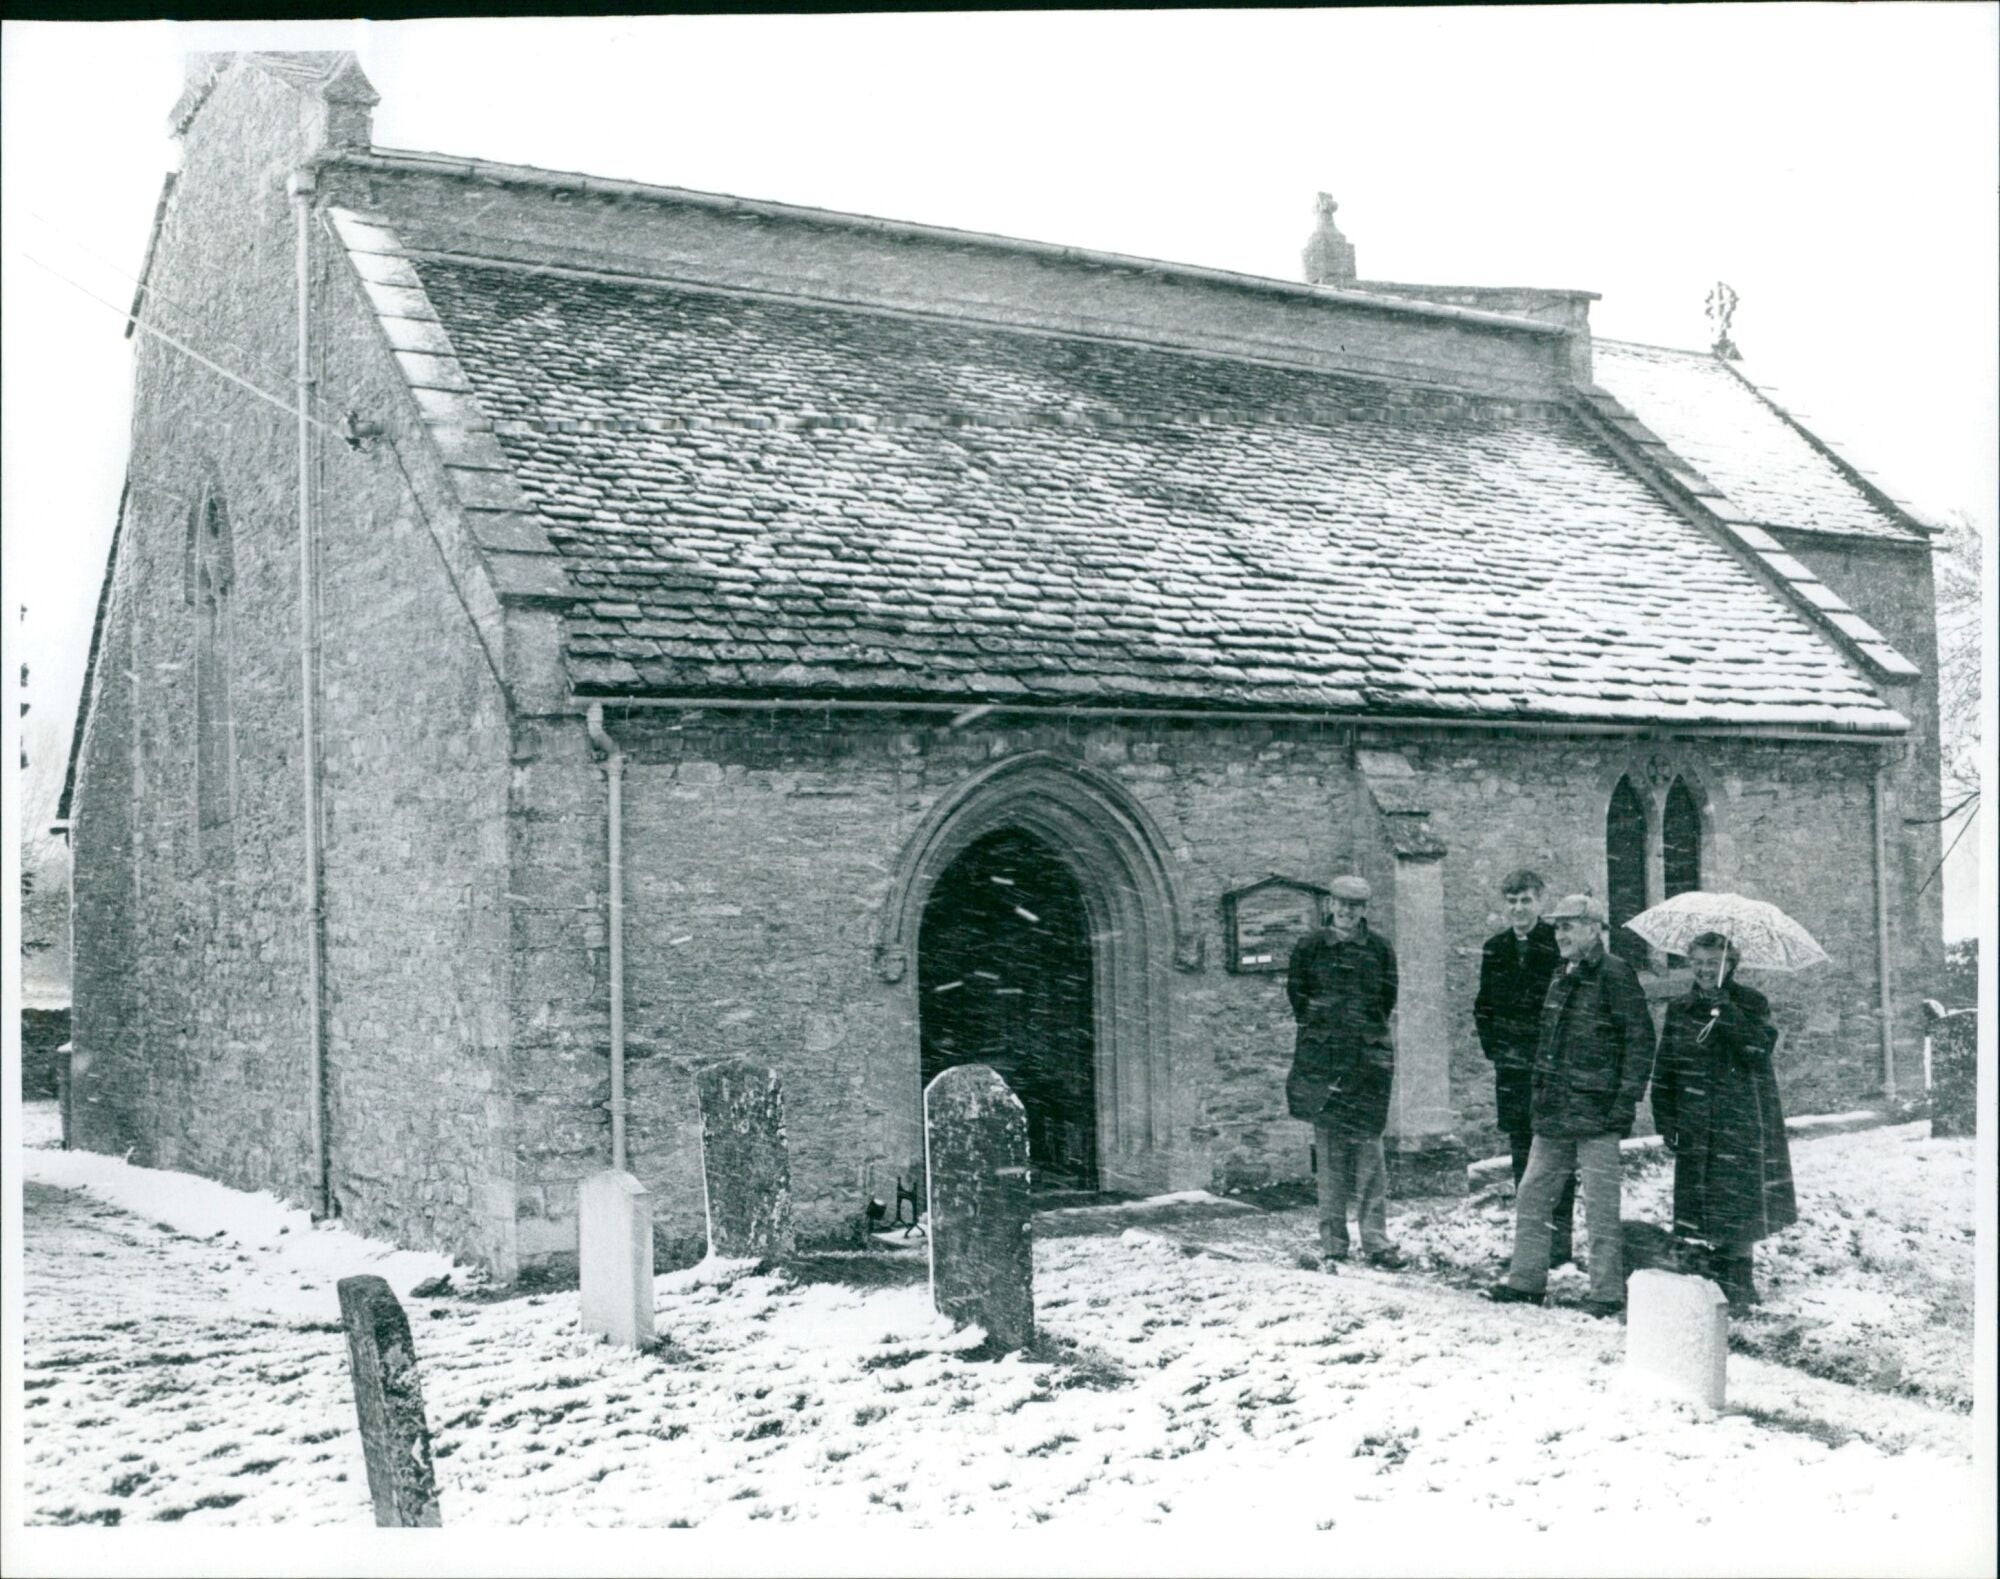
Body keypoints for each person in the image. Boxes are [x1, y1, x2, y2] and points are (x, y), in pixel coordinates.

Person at [1487, 894, 1653, 1317]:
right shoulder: (1562, 973)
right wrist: (1540, 1096)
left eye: (1569, 926)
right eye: (1557, 927)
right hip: (1556, 1111)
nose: (1559, 934)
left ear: (1593, 930)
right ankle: (1525, 1283)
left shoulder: (1616, 974)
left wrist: (1624, 1101)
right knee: (1532, 1194)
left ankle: (1606, 1292)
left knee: (1600, 1207)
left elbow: (1638, 1041)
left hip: (1597, 1113)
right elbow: (1548, 1043)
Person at [1650, 933, 1798, 1308]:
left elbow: (1757, 1050)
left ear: (1730, 964)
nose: (1703, 969)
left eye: (1713, 963)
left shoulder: (1750, 1002)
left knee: (1737, 1198)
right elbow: (1665, 1065)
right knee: (1701, 1197)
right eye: (1697, 961)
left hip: (1739, 1116)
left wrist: (1728, 1011)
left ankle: (1741, 1278)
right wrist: (1666, 1117)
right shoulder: (1681, 1008)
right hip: (1695, 1116)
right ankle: (1712, 1274)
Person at [1286, 875, 1406, 1270]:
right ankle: (1333, 1241)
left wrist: (1363, 1036)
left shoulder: (1379, 950)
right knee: (1331, 1156)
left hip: (1367, 1064)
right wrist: (1327, 1034)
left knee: (1370, 1155)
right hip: (1325, 1063)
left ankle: (1375, 1241)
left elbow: (1386, 1000)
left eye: (1356, 906)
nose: (1348, 911)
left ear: (1364, 910)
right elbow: (1298, 999)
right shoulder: (1310, 948)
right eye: (1341, 904)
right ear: (1330, 906)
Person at [1473, 868, 1574, 1265]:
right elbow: (1484, 1006)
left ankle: (1559, 1246)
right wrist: (1499, 1051)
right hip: (1513, 1073)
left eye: (1526, 900)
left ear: (1541, 902)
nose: (1519, 908)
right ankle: (1530, 1246)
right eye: (1512, 901)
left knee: (1557, 1157)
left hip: (1549, 1069)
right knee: (1523, 1158)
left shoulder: (1557, 945)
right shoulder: (1495, 948)